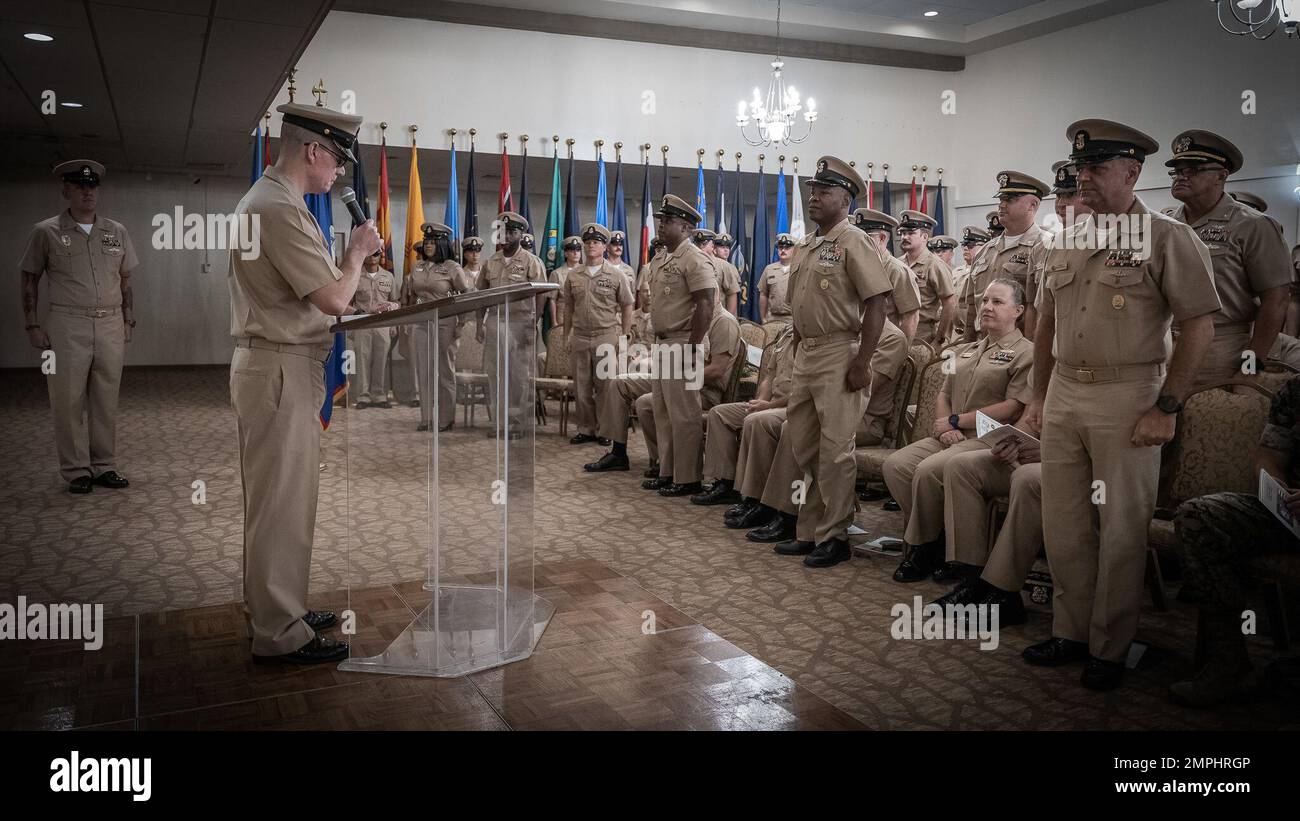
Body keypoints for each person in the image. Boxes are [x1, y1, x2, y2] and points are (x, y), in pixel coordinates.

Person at [1022, 119, 1220, 691]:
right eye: (1080, 168)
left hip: (1128, 392)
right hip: (1064, 390)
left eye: (1097, 168)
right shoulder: (1065, 239)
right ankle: (1072, 630)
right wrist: (1037, 396)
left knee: (1121, 527)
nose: (1083, 177)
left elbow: (1199, 325)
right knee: (1063, 522)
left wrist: (1168, 406)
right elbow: (1046, 326)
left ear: (1132, 173)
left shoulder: (1167, 237)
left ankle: (1110, 646)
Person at [228, 101, 383, 663]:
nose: (340, 171)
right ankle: (277, 633)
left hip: (283, 364)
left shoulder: (279, 201)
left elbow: (320, 298)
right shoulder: (277, 207)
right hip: (279, 369)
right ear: (313, 150)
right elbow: (334, 298)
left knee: (283, 502)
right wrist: (359, 253)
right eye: (338, 157)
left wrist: (356, 281)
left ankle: (278, 607)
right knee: (280, 504)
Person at [774, 156, 892, 568]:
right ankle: (811, 529)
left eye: (823, 192)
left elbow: (877, 304)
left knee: (836, 450)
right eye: (812, 191)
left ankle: (834, 534)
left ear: (845, 198)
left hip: (839, 353)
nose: (814, 198)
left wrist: (862, 361)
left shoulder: (854, 241)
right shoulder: (807, 244)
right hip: (806, 352)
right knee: (805, 445)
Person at [885, 278, 1035, 582]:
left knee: (927, 471)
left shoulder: (1026, 353)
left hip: (987, 440)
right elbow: (944, 394)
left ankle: (925, 548)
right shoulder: (964, 351)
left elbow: (1012, 406)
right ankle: (939, 537)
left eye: (997, 302)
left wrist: (958, 421)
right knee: (896, 466)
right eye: (984, 301)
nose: (987, 307)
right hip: (950, 435)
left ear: (1019, 310)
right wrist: (944, 428)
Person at [1169, 376, 1300, 707]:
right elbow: (1269, 455)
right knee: (1198, 516)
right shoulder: (1295, 390)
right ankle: (1229, 662)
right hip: (1290, 512)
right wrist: (1275, 488)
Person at [21, 159, 137, 494]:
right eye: (80, 186)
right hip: (67, 323)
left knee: (106, 398)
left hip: (111, 321)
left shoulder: (116, 231)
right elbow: (29, 278)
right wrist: (31, 324)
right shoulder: (46, 231)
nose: (88, 192)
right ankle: (75, 470)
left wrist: (128, 319)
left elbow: (125, 278)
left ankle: (104, 465)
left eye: (92, 186)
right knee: (67, 398)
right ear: (66, 190)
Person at [736, 320, 909, 544]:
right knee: (779, 422)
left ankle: (788, 514)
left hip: (863, 418)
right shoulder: (842, 327)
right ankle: (764, 503)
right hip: (824, 407)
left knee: (794, 427)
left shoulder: (891, 337)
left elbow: (861, 389)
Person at [1165, 130, 1293, 389]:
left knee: (1208, 427)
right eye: (1177, 170)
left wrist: (1250, 367)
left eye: (1193, 169)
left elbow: (1276, 300)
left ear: (1221, 176)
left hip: (1221, 351)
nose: (1181, 175)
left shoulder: (1252, 225)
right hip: (1164, 346)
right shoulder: (1166, 224)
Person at [639, 195, 717, 496]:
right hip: (663, 344)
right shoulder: (661, 258)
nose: (661, 225)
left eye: (667, 221)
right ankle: (668, 471)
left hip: (684, 342)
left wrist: (693, 347)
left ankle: (688, 478)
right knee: (663, 411)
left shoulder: (695, 259)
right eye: (661, 219)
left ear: (685, 227)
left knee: (684, 415)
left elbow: (706, 304)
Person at [933, 412, 1043, 624]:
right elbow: (1029, 419)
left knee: (1026, 479)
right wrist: (1013, 444)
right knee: (960, 466)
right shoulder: (1044, 379)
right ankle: (973, 580)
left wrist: (1051, 450)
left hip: (1074, 463)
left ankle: (1004, 593)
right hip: (1036, 453)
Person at [639, 270, 741, 494]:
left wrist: (679, 378)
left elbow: (717, 370)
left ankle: (685, 472)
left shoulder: (723, 322)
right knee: (646, 403)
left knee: (671, 405)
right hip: (691, 384)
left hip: (709, 391)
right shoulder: (697, 321)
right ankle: (666, 464)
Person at [474, 212, 549, 438]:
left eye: (512, 232)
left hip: (520, 324)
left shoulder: (531, 262)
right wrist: (479, 322)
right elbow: (481, 295)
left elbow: (542, 294)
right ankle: (498, 423)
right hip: (496, 323)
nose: (506, 236)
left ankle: (517, 424)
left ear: (520, 234)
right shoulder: (491, 262)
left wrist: (533, 321)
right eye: (503, 232)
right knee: (495, 375)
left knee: (518, 377)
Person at [563, 223, 635, 446]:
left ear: (605, 246)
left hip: (606, 335)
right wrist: (567, 335)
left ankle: (605, 430)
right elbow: (568, 308)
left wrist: (624, 335)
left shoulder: (617, 275)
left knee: (605, 387)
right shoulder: (574, 276)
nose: (590, 245)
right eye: (587, 242)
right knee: (581, 387)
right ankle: (586, 428)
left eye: (596, 242)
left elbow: (627, 306)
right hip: (581, 336)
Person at [961, 172, 1049, 342]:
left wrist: (1031, 354)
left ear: (1032, 205)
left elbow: (1044, 310)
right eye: (1001, 199)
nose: (1001, 205)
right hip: (981, 344)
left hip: (1018, 348)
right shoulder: (985, 251)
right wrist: (968, 343)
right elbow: (972, 305)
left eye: (1010, 199)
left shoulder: (1045, 246)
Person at [404, 223, 473, 432]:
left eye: (433, 242)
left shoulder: (452, 267)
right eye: (426, 242)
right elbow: (412, 296)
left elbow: (465, 297)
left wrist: (461, 325)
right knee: (424, 371)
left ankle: (445, 418)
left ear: (442, 243)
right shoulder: (418, 267)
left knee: (444, 371)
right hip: (422, 323)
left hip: (445, 324)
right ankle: (427, 418)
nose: (428, 246)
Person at [852, 208, 922, 343]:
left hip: (883, 346)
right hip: (854, 342)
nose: (858, 241)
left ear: (882, 238)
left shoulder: (897, 270)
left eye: (865, 237)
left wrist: (901, 353)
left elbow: (911, 317)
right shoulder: (856, 266)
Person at [897, 209, 956, 346]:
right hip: (897, 332)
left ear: (924, 237)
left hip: (922, 336)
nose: (905, 237)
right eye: (903, 233)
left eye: (911, 233)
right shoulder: (898, 263)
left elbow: (949, 303)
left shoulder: (935, 265)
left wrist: (940, 338)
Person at [350, 249, 398, 408]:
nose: (373, 256)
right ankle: (363, 397)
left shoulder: (388, 276)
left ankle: (379, 395)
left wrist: (393, 324)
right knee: (362, 360)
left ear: (381, 256)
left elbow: (395, 302)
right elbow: (349, 303)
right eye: (370, 252)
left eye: (376, 253)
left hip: (382, 324)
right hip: (362, 323)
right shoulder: (355, 275)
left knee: (381, 359)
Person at [949, 227, 990, 341]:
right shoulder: (956, 271)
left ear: (984, 246)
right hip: (955, 332)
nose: (966, 248)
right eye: (964, 244)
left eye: (971, 244)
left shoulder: (988, 271)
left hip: (977, 333)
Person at [758, 234, 796, 324]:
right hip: (772, 318)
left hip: (792, 319)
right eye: (780, 247)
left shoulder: (799, 269)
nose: (783, 250)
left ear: (794, 249)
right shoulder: (769, 269)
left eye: (787, 248)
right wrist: (763, 318)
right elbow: (763, 294)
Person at [551, 236, 582, 329]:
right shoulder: (556, 273)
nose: (575, 253)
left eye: (578, 250)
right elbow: (552, 299)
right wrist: (554, 322)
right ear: (566, 253)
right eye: (572, 250)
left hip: (583, 318)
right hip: (563, 318)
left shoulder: (587, 271)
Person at [709, 232, 743, 316]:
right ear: (714, 249)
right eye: (722, 247)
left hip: (724, 314)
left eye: (728, 247)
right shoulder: (709, 265)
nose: (726, 250)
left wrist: (729, 319)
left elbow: (732, 295)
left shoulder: (732, 268)